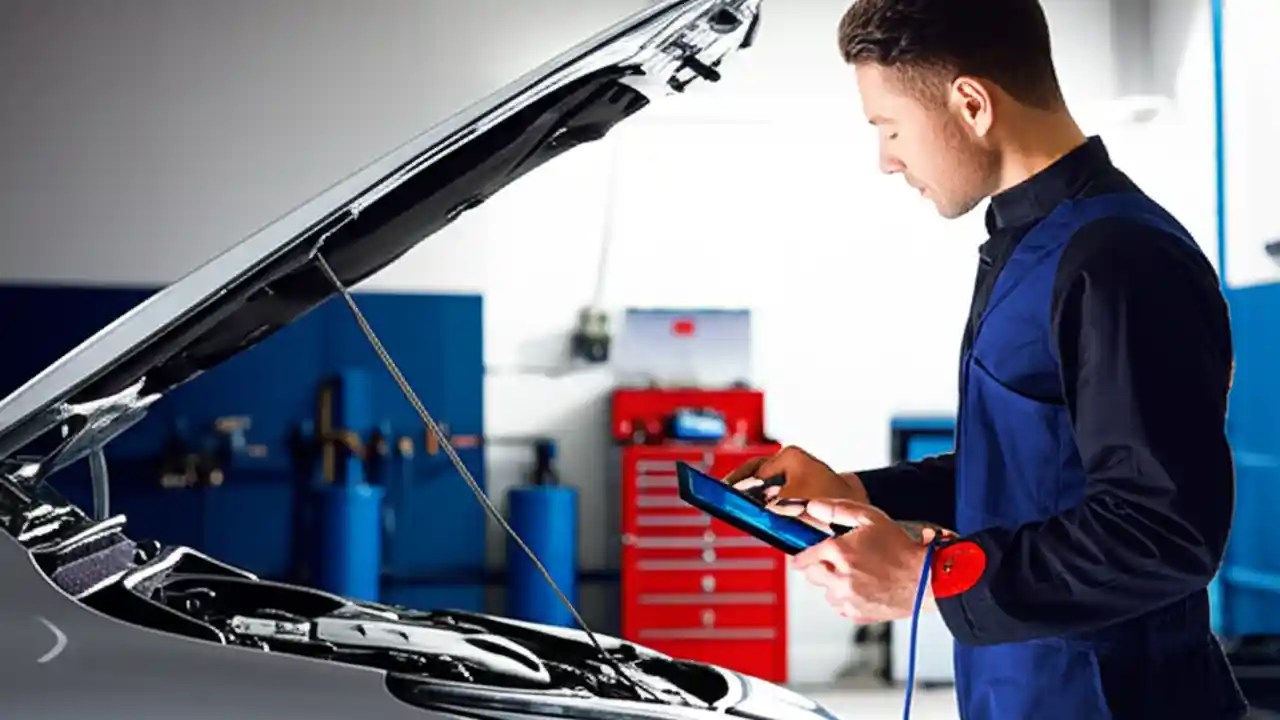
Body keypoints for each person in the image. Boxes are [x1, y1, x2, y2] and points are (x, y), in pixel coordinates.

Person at [723, 0, 1247, 717]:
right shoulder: (1030, 241)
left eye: (890, 126)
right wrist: (858, 490)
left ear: (970, 104)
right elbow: (1033, 469)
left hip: (1115, 699)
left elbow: (1162, 533)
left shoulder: (1120, 258)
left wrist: (926, 577)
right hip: (1026, 687)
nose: (887, 159)